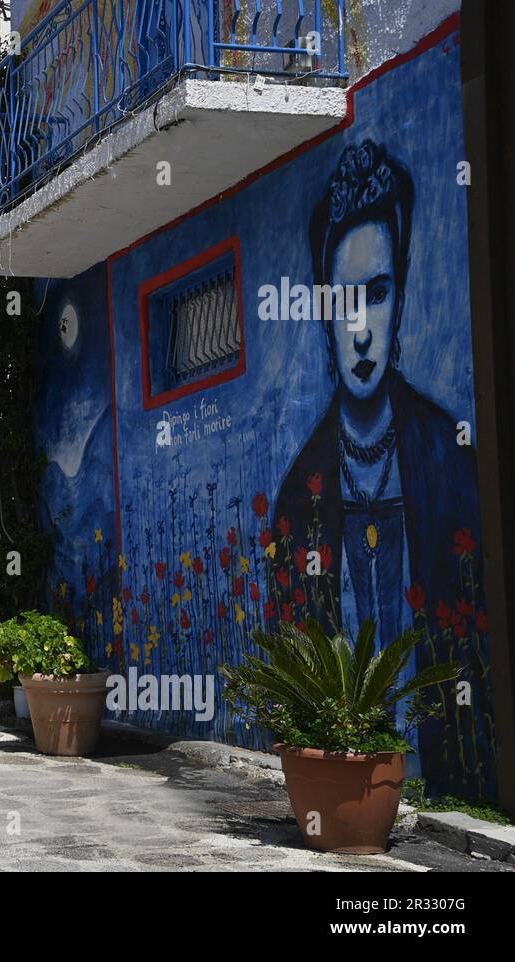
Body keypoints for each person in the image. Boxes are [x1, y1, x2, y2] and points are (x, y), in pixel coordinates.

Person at [271, 138, 485, 786]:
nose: (360, 327)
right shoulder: (298, 498)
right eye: (341, 299)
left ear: (405, 289)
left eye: (379, 291)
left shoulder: (451, 460)